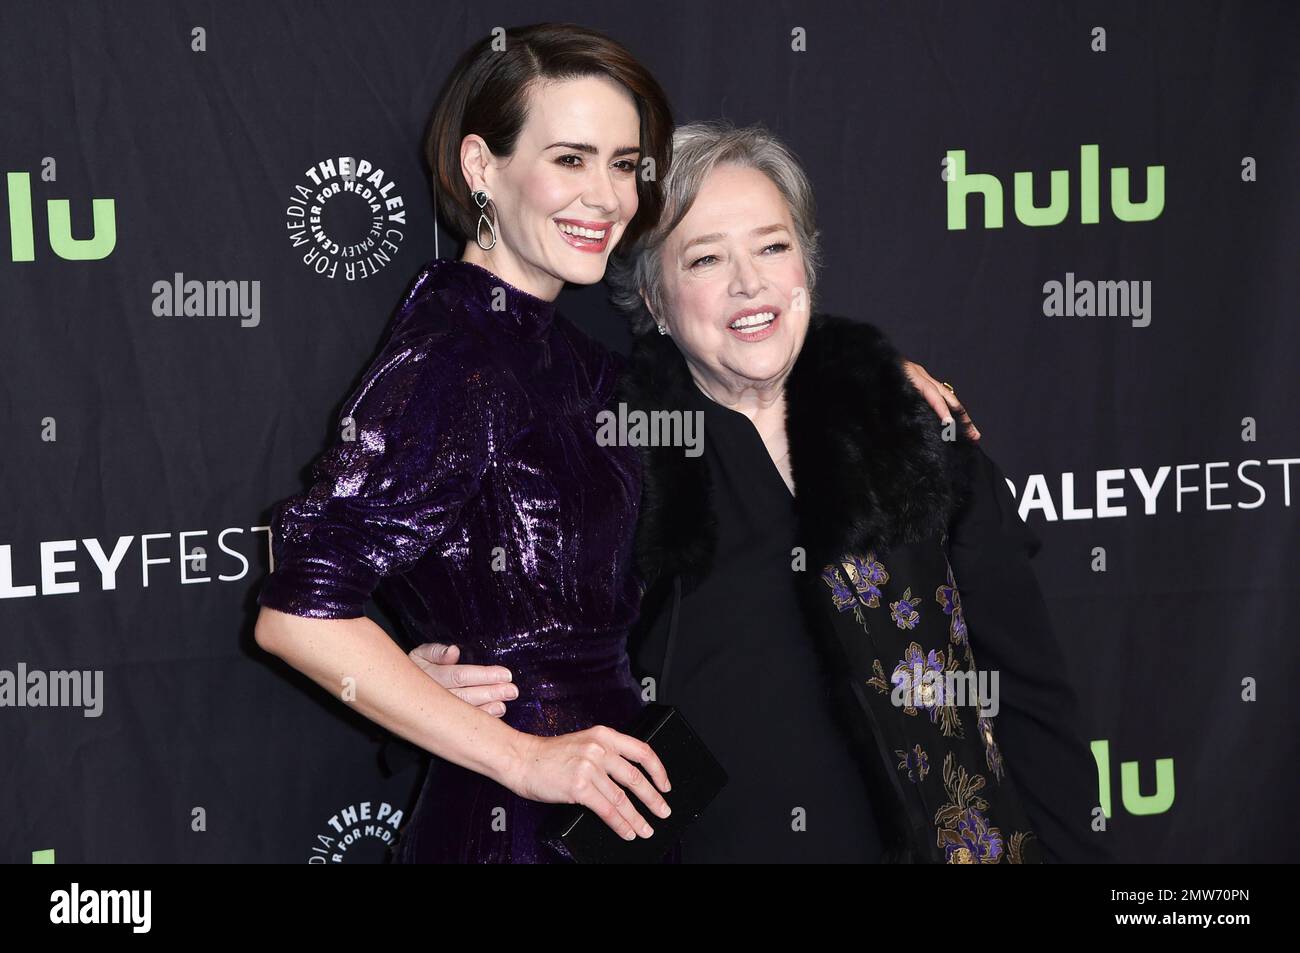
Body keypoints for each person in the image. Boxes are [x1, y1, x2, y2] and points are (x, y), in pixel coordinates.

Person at [256, 24, 971, 864]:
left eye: (624, 163)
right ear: (482, 168)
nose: (605, 196)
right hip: (516, 825)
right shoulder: (452, 357)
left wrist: (865, 377)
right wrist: (522, 756)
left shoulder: (570, 352)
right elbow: (296, 615)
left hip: (612, 811)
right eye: (569, 159)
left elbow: (726, 364)